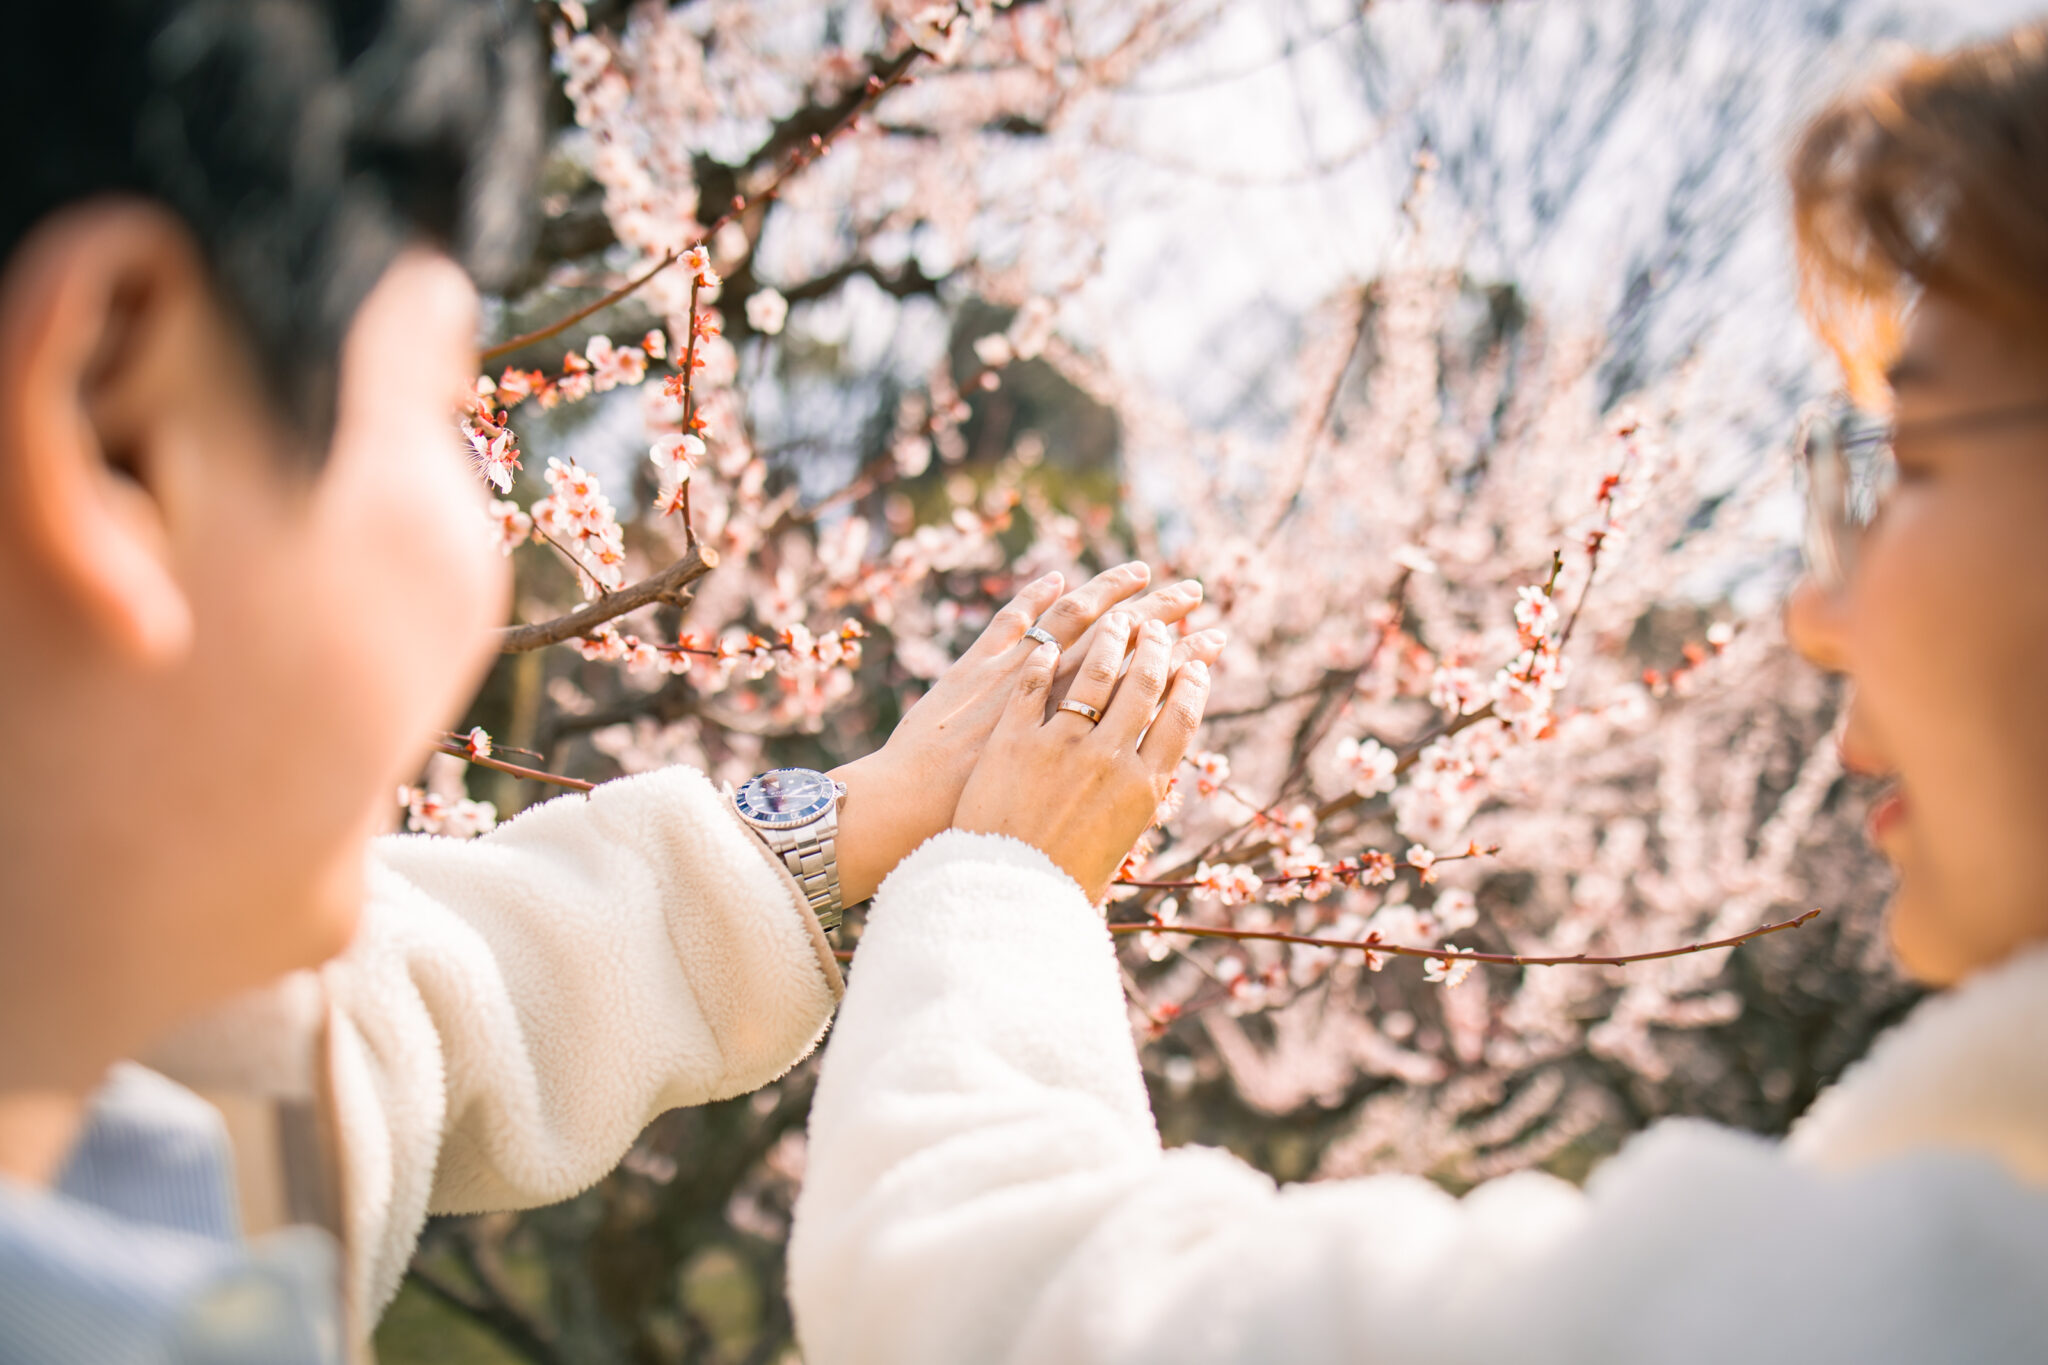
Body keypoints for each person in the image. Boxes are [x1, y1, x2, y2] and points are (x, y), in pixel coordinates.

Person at [788, 22, 2048, 1365]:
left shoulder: (1872, 1304)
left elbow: (991, 1296)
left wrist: (1007, 873)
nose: (1813, 609)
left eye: (1904, 459)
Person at [0, 2, 1225, 1361]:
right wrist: (1010, 890)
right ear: (118, 416)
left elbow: (407, 1004)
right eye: (435, 406)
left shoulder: (128, 1057)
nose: (486, 533)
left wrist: (865, 814)